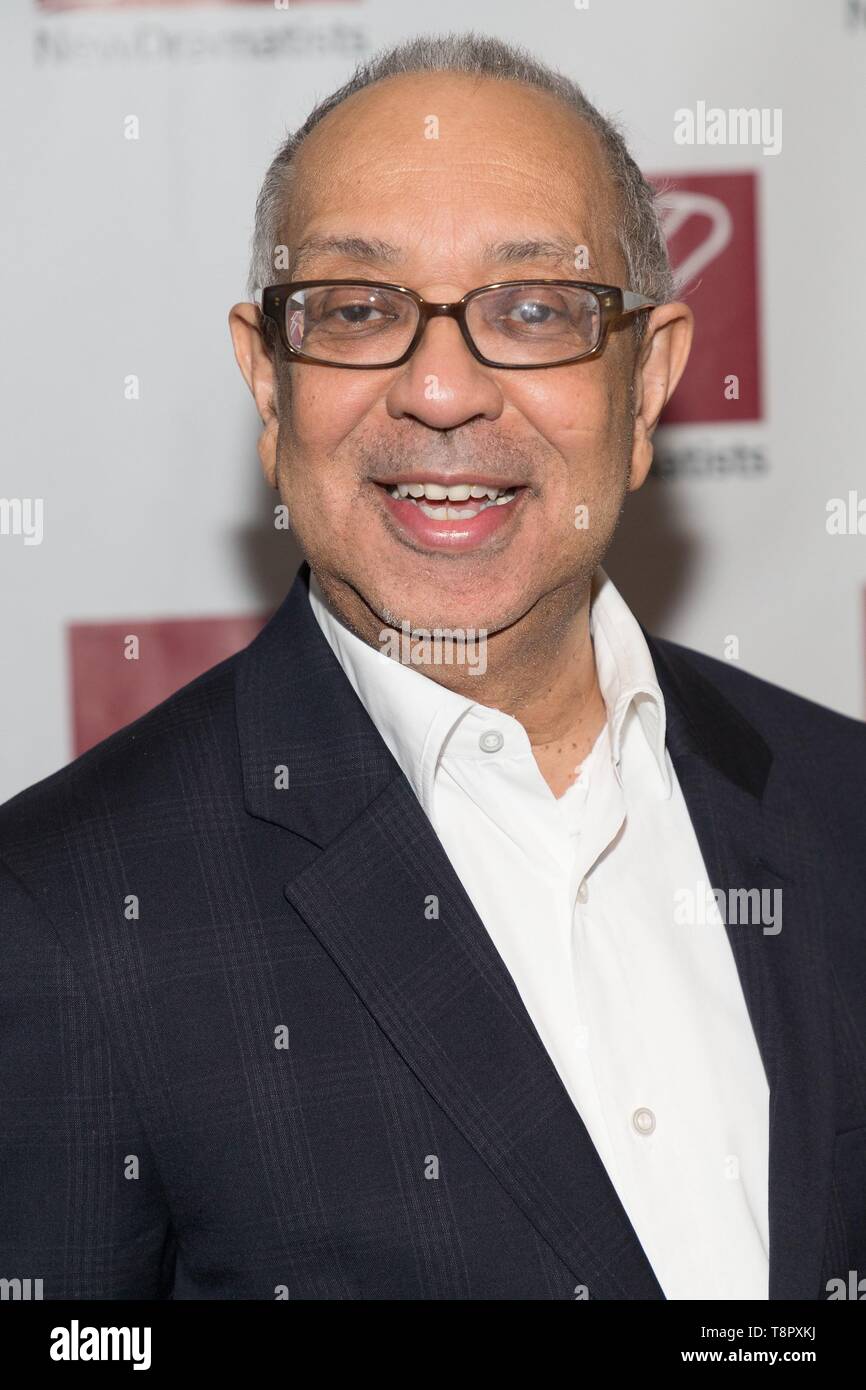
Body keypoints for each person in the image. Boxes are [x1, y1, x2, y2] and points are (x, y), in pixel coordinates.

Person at [2, 32, 864, 1302]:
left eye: (534, 308)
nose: (443, 389)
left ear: (645, 384)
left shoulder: (837, 802)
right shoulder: (61, 918)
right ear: (268, 383)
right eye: (358, 309)